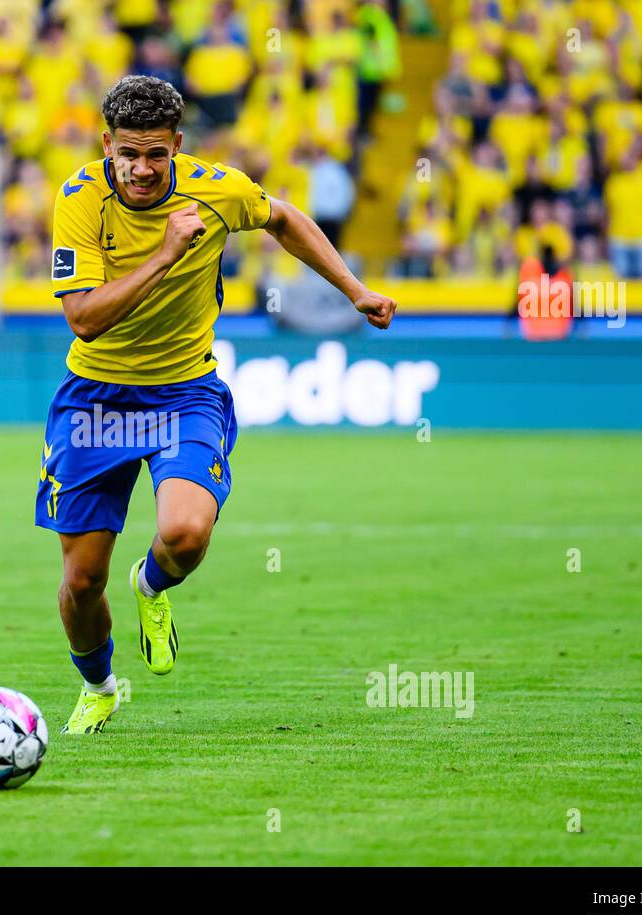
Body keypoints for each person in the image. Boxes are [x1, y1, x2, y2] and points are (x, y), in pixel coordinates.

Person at [39, 75, 396, 733]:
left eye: (155, 153)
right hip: (95, 399)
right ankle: (101, 686)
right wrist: (170, 254)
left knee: (185, 534)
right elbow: (85, 319)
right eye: (128, 154)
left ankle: (151, 586)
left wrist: (353, 289)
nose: (142, 169)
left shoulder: (218, 189)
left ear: (176, 144)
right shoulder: (79, 200)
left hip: (185, 393)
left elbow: (285, 219)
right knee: (83, 582)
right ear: (106, 146)